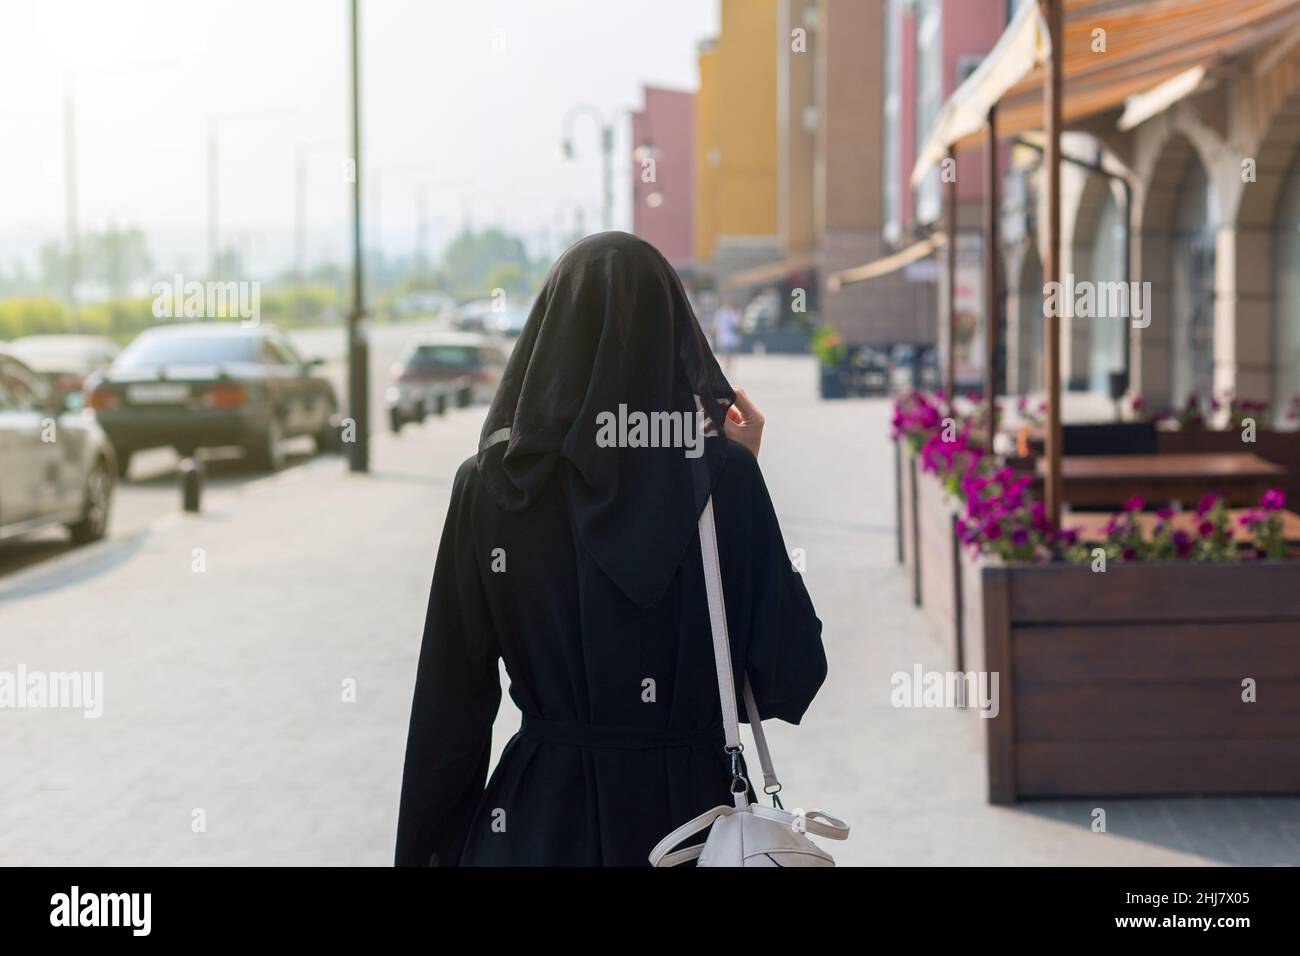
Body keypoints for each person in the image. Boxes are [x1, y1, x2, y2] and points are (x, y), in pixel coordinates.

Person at [394, 232, 827, 867]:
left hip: (538, 826)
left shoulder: (491, 487)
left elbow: (449, 709)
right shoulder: (724, 483)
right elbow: (792, 677)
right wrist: (737, 479)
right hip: (692, 832)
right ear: (674, 335)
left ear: (548, 335)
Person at [713, 298, 742, 375]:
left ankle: (727, 370)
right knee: (728, 355)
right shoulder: (730, 313)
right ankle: (727, 370)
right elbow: (738, 326)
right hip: (728, 338)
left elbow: (717, 326)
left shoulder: (724, 313)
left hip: (727, 338)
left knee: (728, 355)